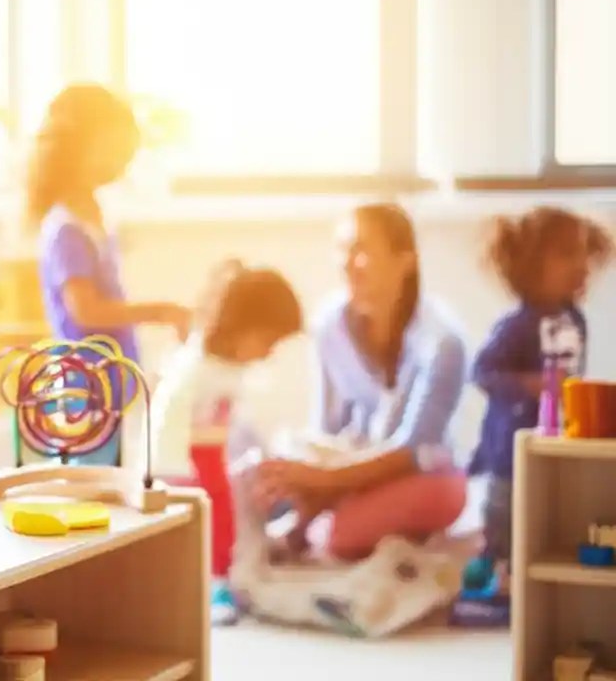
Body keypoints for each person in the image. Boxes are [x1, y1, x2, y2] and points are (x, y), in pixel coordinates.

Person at [255, 201, 468, 562]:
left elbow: (411, 452)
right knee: (269, 468)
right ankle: (319, 519)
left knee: (335, 536)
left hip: (424, 478)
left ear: (406, 260)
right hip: (352, 468)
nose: (348, 263)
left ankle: (336, 524)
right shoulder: (329, 327)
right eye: (343, 249)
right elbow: (326, 429)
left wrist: (322, 480)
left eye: (362, 250)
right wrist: (304, 473)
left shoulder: (442, 342)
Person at [27, 84, 192, 465]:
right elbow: (86, 310)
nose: (124, 160)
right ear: (80, 147)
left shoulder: (92, 215)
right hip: (84, 386)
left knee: (105, 473)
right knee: (88, 477)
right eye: (116, 148)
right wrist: (159, 311)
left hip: (107, 383)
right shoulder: (66, 227)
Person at [465, 207, 612, 594]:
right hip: (509, 448)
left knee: (547, 507)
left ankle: (531, 572)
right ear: (531, 264)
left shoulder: (575, 321)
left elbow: (571, 377)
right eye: (566, 254)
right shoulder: (516, 326)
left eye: (583, 253)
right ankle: (495, 568)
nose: (580, 264)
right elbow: (482, 372)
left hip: (556, 441)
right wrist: (530, 383)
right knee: (504, 510)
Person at [149, 260, 303, 624]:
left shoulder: (217, 362)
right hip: (183, 459)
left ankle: (217, 578)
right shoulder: (201, 365)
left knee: (222, 515)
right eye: (267, 342)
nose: (268, 353)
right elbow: (169, 406)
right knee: (211, 516)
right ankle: (211, 583)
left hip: (204, 453)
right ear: (241, 328)